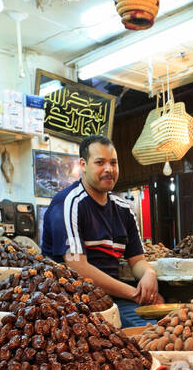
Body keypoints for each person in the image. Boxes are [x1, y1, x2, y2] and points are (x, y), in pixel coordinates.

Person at [41, 134, 162, 326]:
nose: (109, 169)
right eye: (100, 162)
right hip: (70, 302)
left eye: (113, 163)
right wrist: (135, 294)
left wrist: (149, 274)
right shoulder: (69, 203)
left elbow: (137, 260)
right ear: (83, 165)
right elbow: (78, 268)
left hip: (112, 299)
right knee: (142, 334)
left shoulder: (124, 210)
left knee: (159, 328)